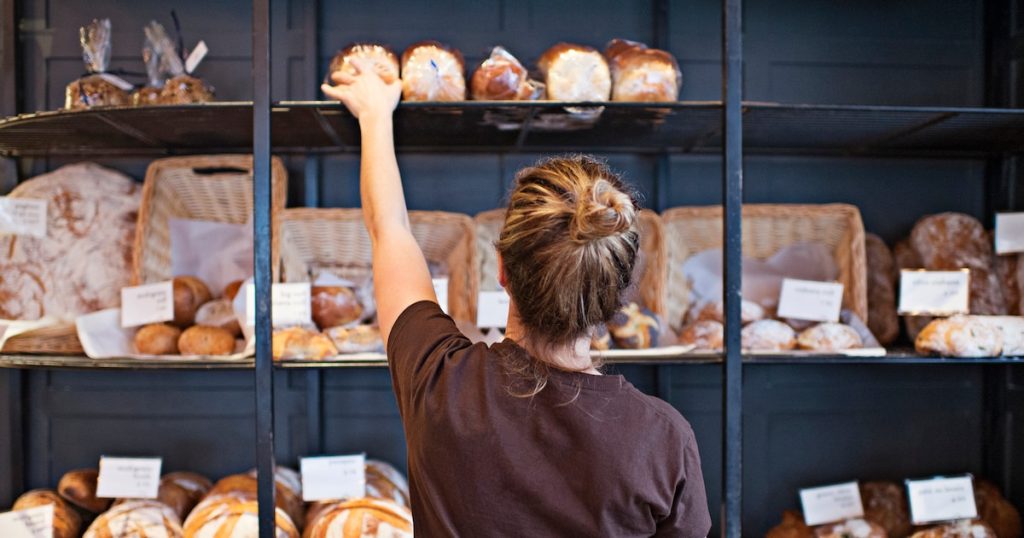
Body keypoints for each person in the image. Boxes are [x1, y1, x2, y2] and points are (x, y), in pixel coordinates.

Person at [322, 58, 711, 537]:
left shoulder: (441, 383)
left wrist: (375, 115)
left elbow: (390, 232)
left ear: (502, 269)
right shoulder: (663, 438)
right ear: (617, 293)